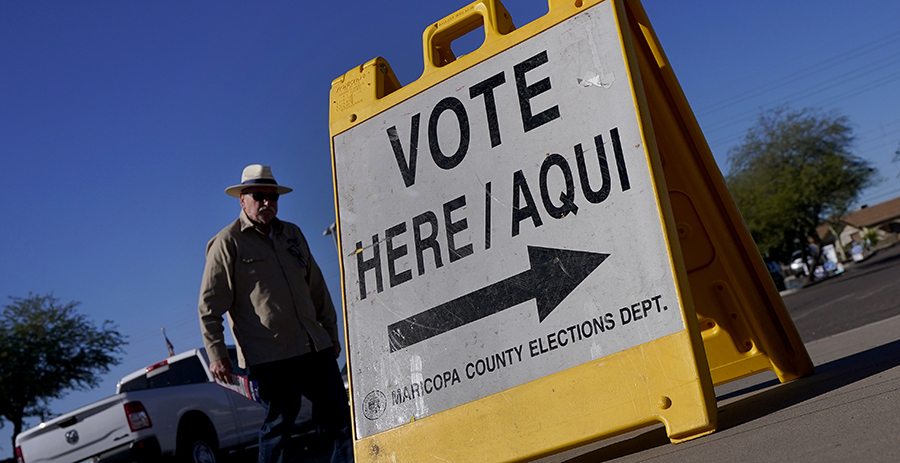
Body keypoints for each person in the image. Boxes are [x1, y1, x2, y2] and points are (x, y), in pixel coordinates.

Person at [198, 164, 352, 463]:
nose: (267, 202)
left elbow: (317, 288)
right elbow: (209, 306)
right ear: (242, 199)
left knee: (339, 418)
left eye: (273, 197)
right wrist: (217, 353)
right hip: (270, 356)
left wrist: (330, 334)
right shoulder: (227, 243)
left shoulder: (292, 234)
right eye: (259, 196)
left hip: (313, 346)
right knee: (279, 426)